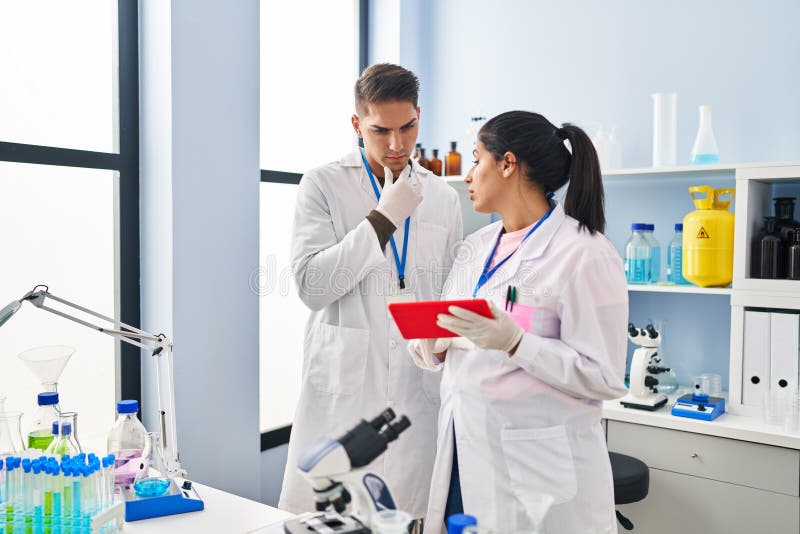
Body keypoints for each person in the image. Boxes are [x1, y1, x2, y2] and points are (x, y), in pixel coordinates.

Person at [408, 111, 628, 533]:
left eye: (477, 160)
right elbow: (453, 336)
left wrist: (516, 343)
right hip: (463, 452)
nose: (469, 174)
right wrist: (432, 344)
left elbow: (604, 377)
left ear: (508, 164)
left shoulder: (586, 253)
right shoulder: (475, 247)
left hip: (533, 470)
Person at [279, 63, 463, 521]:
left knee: (407, 515)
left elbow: (446, 297)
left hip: (415, 393)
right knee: (329, 517)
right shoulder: (322, 184)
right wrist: (383, 219)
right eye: (381, 131)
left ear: (419, 115)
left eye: (408, 127)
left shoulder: (443, 197)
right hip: (344, 390)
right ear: (357, 124)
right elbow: (313, 287)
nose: (397, 145)